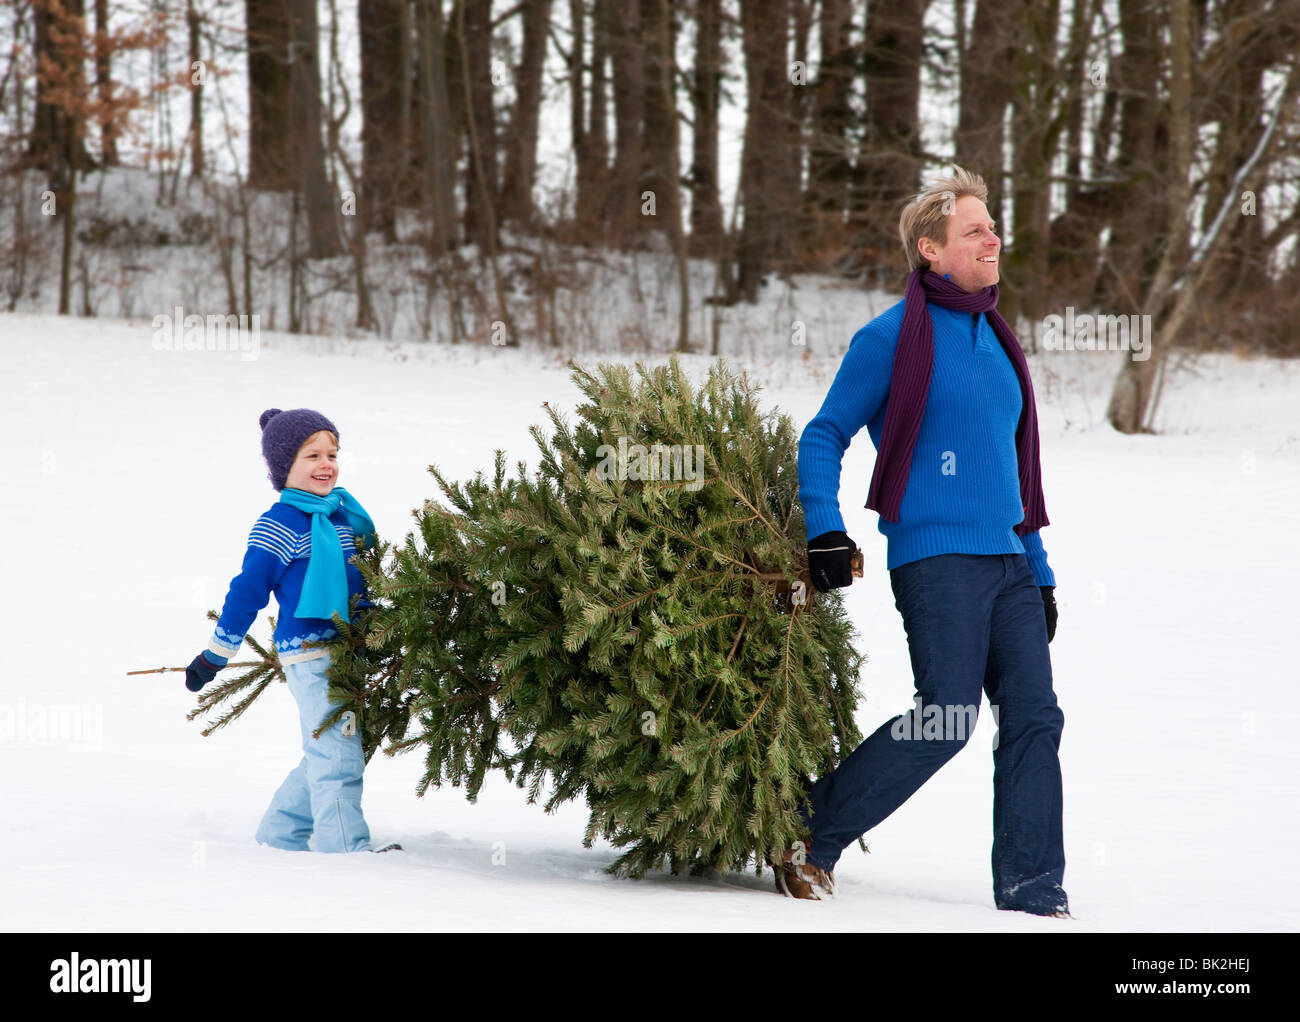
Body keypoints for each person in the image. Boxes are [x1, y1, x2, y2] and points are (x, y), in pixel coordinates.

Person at [777, 167, 1068, 916]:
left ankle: (1034, 889)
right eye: (975, 229)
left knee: (1035, 715)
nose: (993, 237)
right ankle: (810, 832)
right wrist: (825, 530)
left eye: (993, 225)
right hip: (935, 558)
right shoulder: (890, 339)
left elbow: (1016, 475)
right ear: (932, 250)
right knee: (948, 717)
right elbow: (825, 435)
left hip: (1008, 561)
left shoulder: (1000, 345)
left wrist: (1039, 571)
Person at [184, 408, 397, 854]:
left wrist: (380, 629)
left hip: (350, 647)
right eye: (312, 455)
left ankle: (280, 834)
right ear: (284, 467)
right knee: (338, 750)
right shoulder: (280, 525)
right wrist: (214, 656)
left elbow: (363, 580)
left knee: (332, 745)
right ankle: (346, 851)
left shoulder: (341, 517)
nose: (326, 464)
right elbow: (247, 592)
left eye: (332, 453)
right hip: (310, 652)